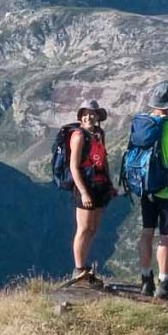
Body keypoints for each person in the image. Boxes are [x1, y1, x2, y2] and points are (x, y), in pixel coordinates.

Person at [127, 84, 168, 299]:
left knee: (146, 232)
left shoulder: (141, 122)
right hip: (166, 190)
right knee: (166, 237)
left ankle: (146, 280)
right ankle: (164, 284)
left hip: (145, 186)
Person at [58, 103, 116, 285]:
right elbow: (74, 167)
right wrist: (83, 193)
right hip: (85, 185)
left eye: (91, 114)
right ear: (80, 117)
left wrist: (110, 183)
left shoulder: (99, 134)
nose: (88, 117)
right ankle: (79, 268)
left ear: (97, 116)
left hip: (100, 185)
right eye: (85, 114)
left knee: (92, 229)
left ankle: (83, 269)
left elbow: (103, 160)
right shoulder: (78, 136)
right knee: (83, 228)